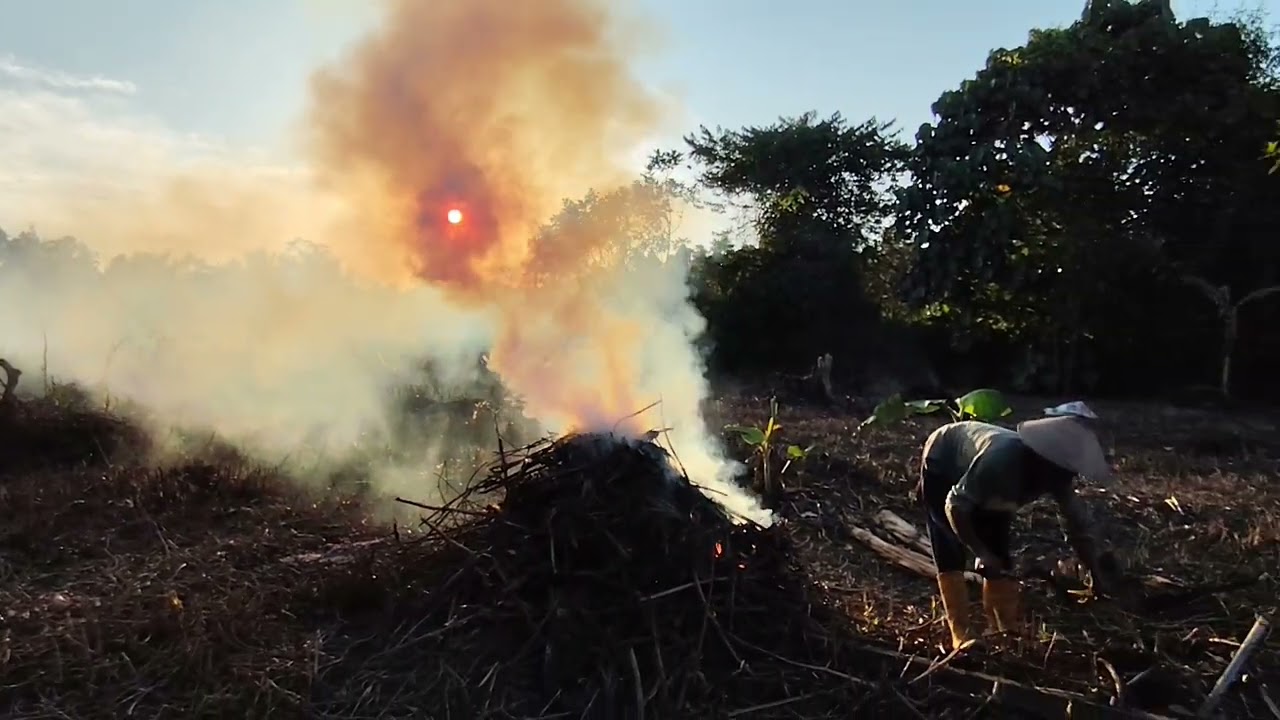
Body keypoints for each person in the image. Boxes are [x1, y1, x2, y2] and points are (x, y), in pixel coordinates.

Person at [917, 410, 1126, 651]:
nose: (1065, 479)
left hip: (990, 481)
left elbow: (1078, 528)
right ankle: (960, 632)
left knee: (999, 551)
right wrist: (979, 551)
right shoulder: (1001, 461)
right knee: (950, 545)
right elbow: (954, 505)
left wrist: (1096, 577)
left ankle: (1001, 629)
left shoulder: (1056, 477)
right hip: (944, 460)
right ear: (1045, 459)